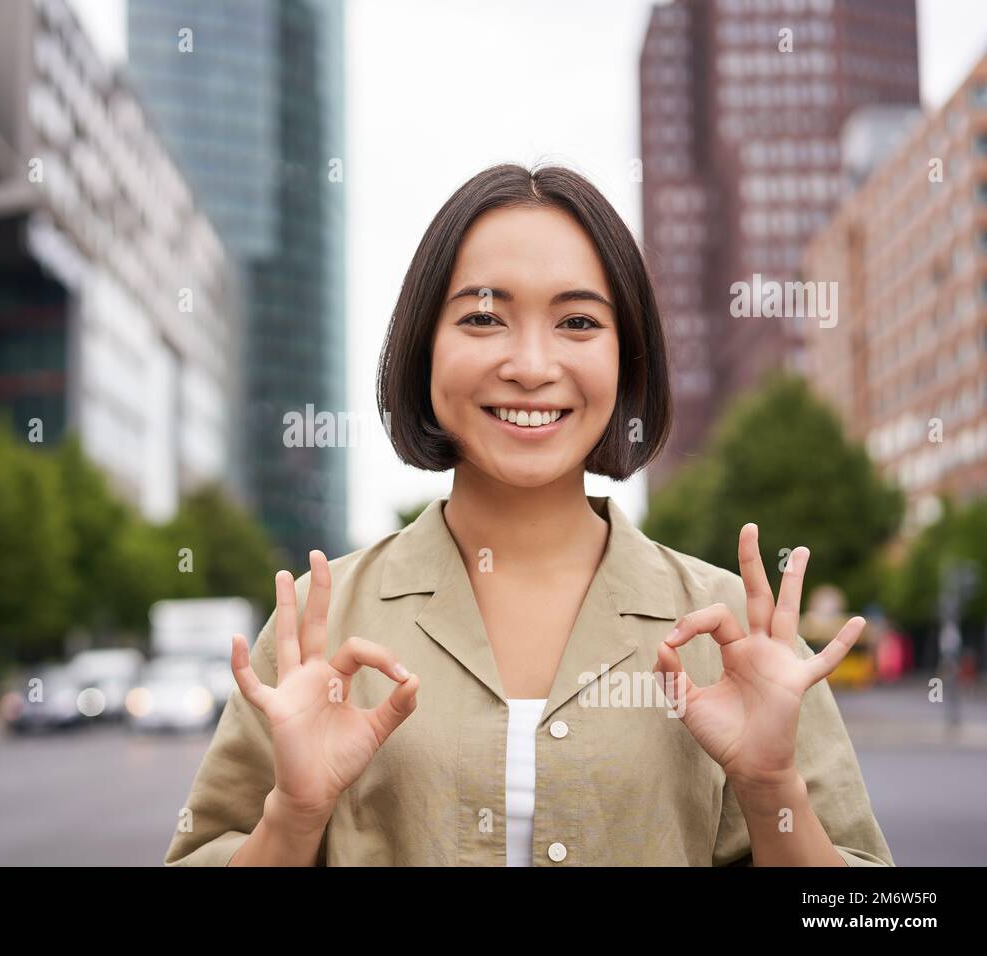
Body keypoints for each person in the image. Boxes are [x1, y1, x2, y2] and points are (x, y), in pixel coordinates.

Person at [164, 163, 894, 866]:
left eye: (578, 321)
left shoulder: (740, 632)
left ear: (627, 358)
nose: (532, 365)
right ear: (423, 351)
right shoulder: (318, 629)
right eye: (484, 318)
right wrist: (292, 816)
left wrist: (771, 792)